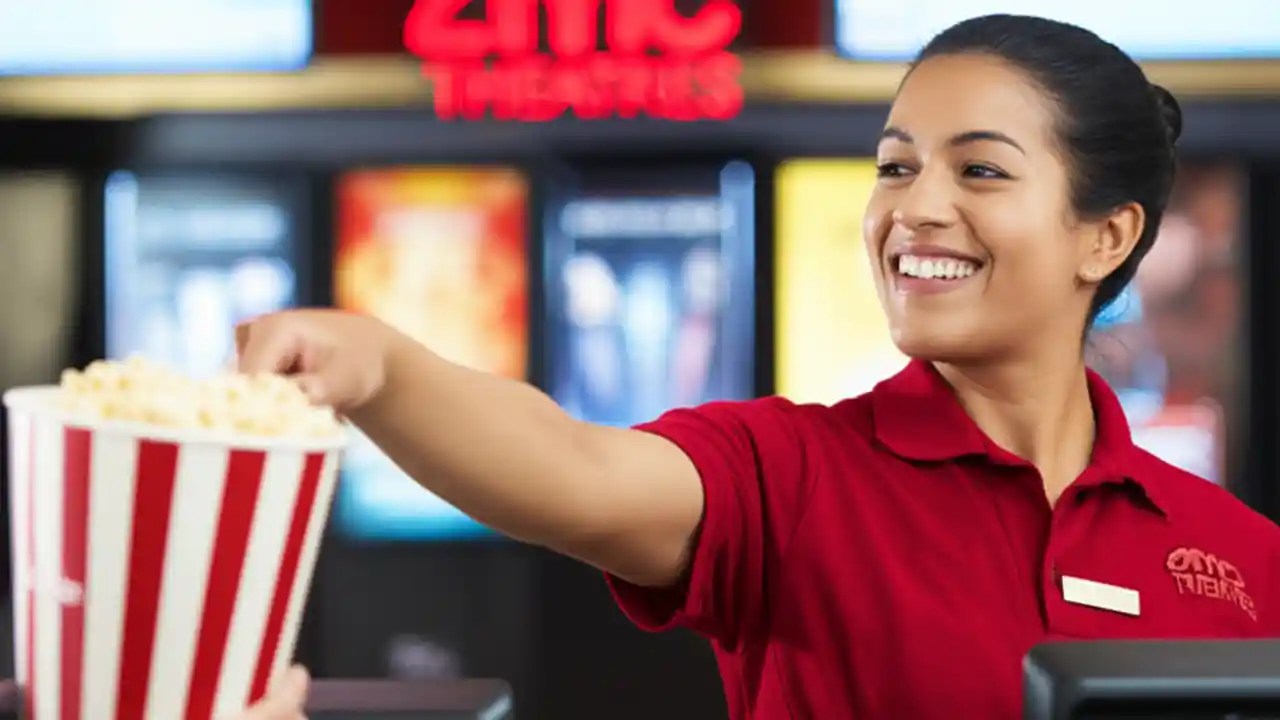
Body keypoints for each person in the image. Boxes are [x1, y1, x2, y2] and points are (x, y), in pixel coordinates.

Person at [234, 13, 1280, 720]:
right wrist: (380, 370)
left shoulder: (1244, 558)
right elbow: (572, 468)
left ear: (1104, 236)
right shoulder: (792, 472)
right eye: (895, 166)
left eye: (979, 170)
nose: (914, 207)